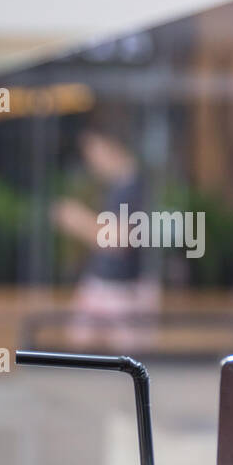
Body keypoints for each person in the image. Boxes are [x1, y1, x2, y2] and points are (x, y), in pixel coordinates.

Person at [52, 128, 160, 350]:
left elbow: (118, 239)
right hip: (107, 284)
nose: (91, 161)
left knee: (125, 361)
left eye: (94, 152)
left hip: (121, 289)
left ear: (112, 148)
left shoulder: (133, 188)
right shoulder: (119, 187)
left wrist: (77, 220)